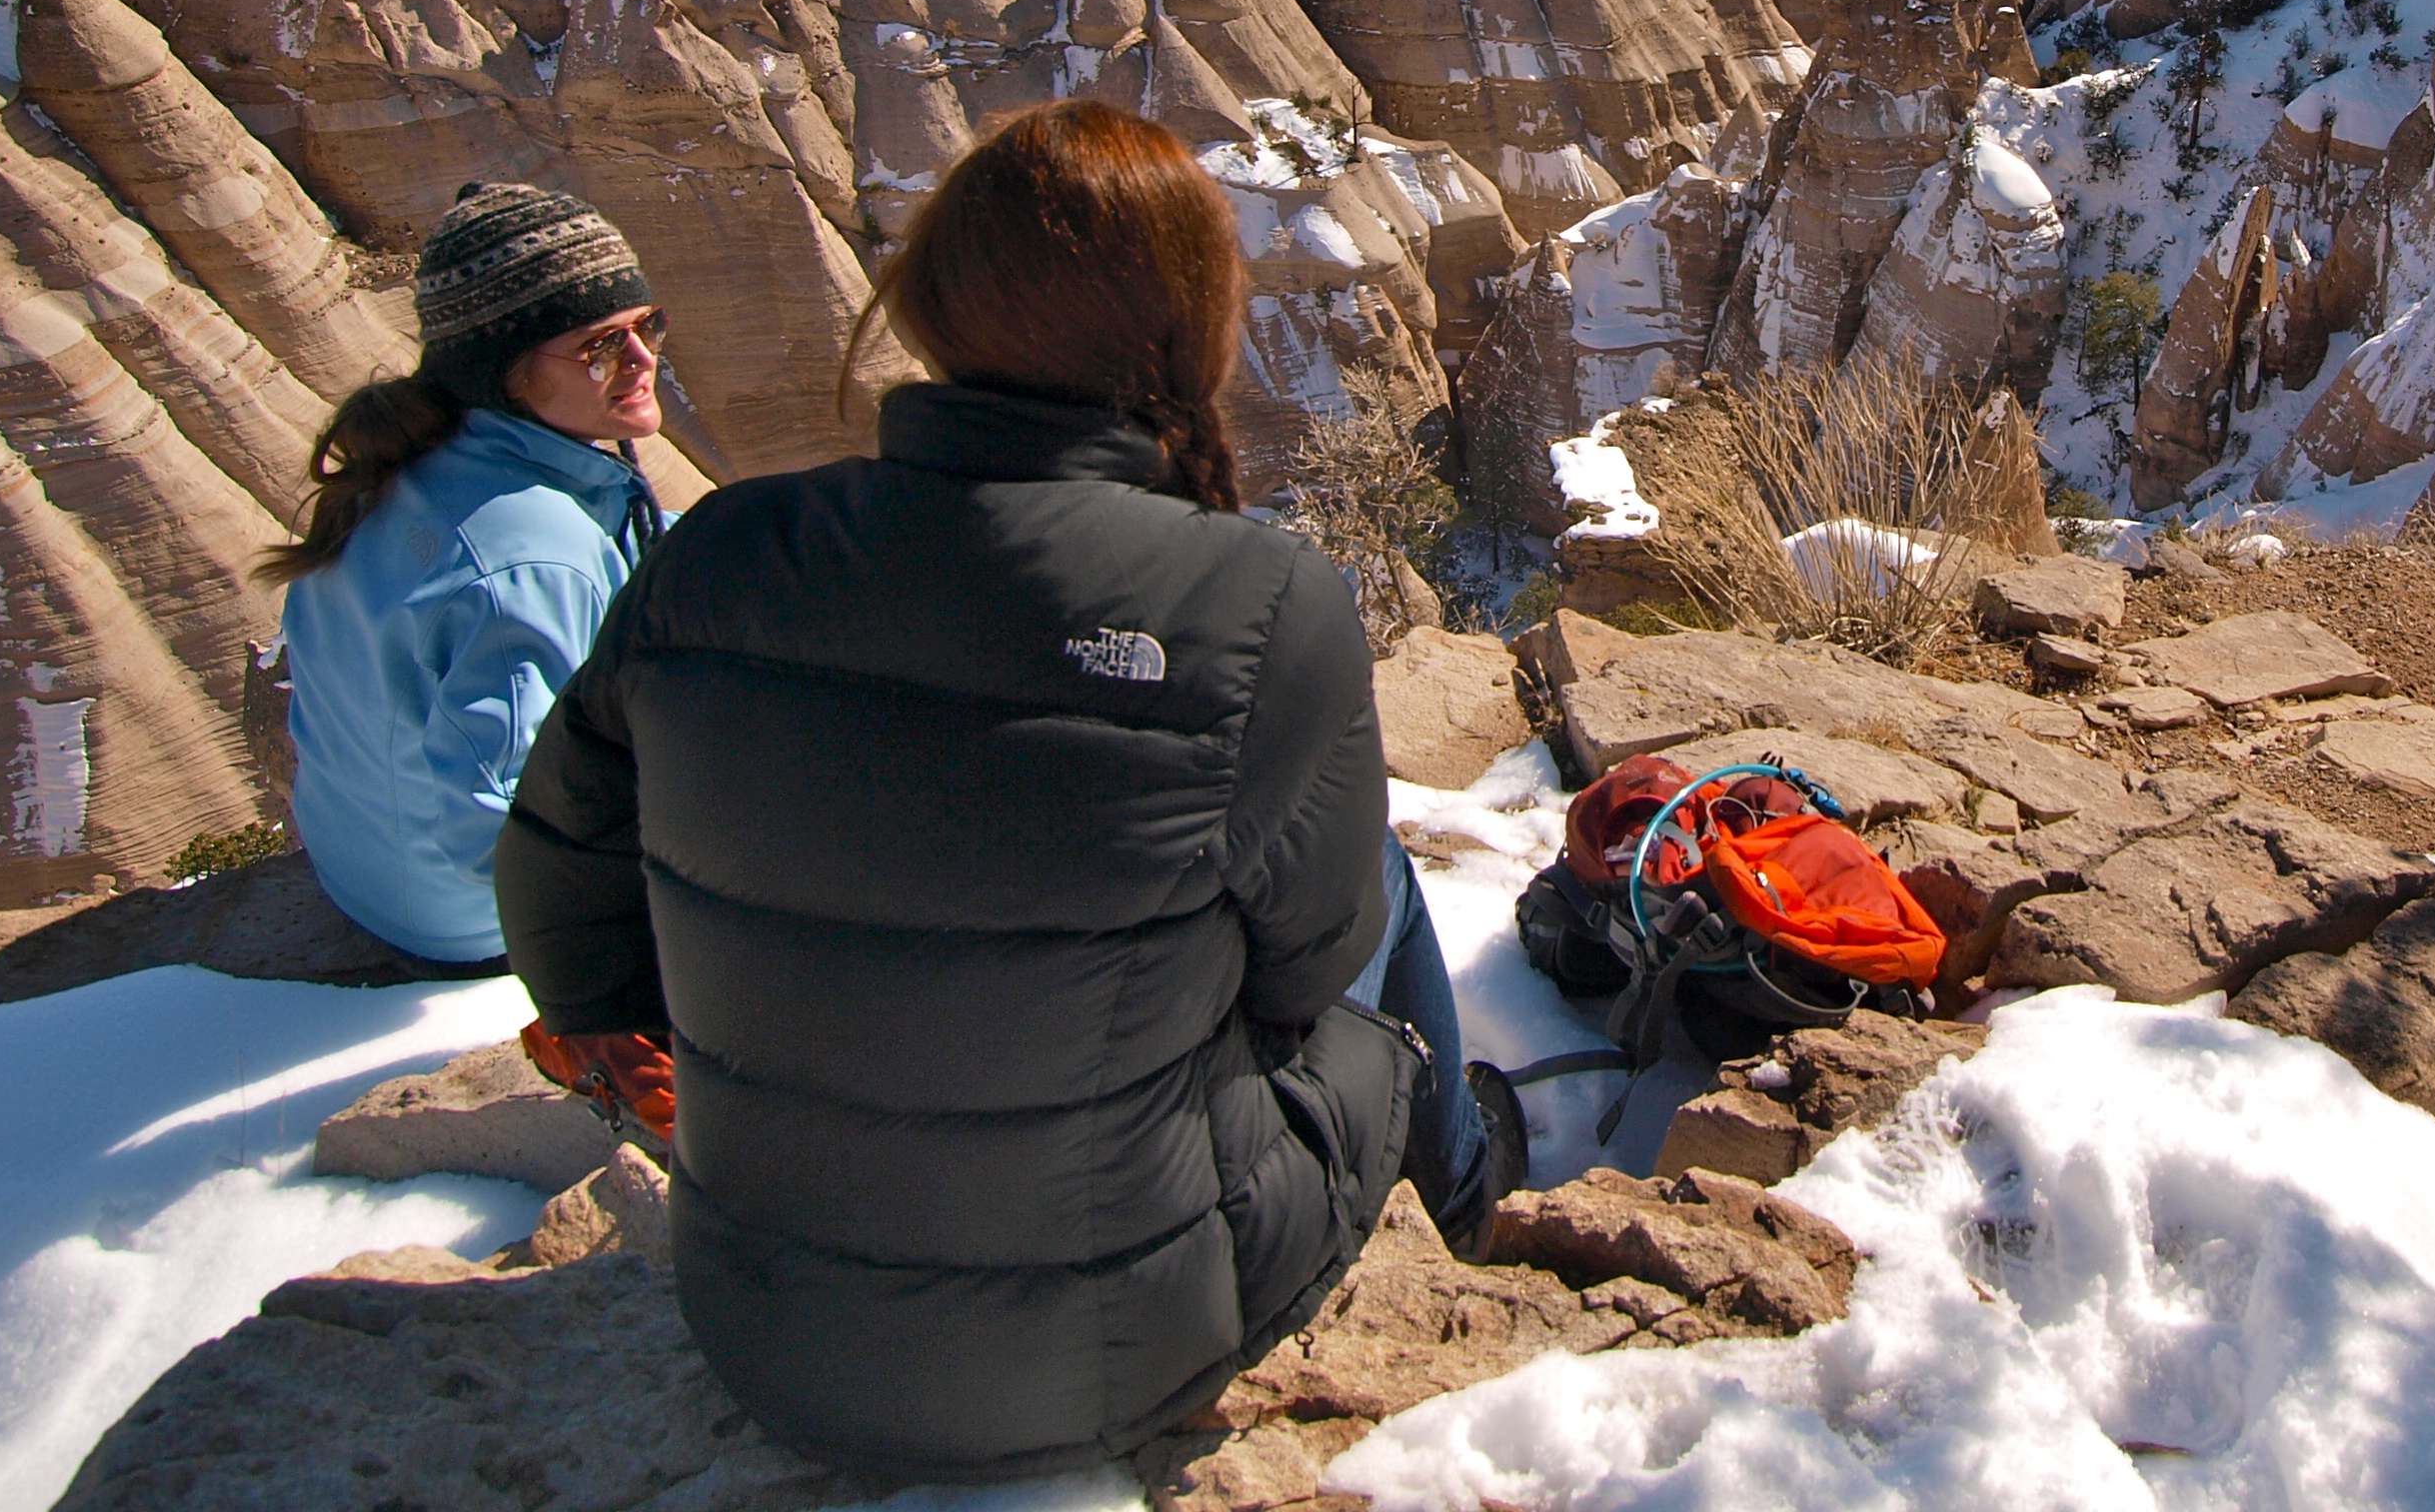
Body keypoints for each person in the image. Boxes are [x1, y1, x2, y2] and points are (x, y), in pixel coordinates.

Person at [495, 100, 1520, 1484]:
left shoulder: (722, 551)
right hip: (1110, 1358)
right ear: (1182, 326)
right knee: (1380, 905)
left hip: (762, 1327)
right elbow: (1309, 973)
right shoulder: (1256, 603)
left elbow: (556, 883)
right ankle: (1469, 1189)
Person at [266, 182, 669, 976]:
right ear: (507, 373)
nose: (643, 361)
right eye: (600, 346)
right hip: (464, 924)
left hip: (366, 873)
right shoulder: (532, 558)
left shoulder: (423, 466)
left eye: (647, 326)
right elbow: (496, 833)